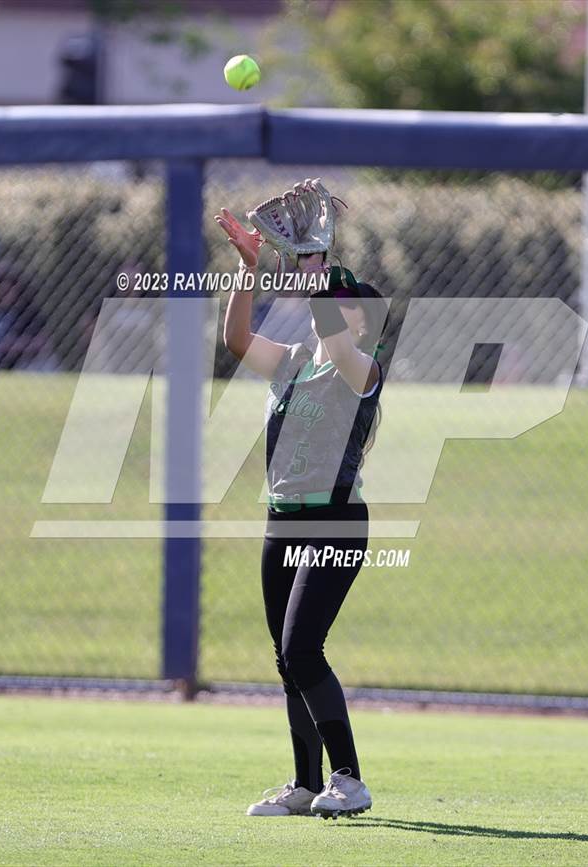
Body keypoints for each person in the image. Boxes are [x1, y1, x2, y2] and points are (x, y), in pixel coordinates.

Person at [214, 196, 388, 821]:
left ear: (361, 322)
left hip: (334, 522)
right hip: (282, 519)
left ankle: (349, 780)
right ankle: (306, 784)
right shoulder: (291, 363)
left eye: (345, 303)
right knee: (287, 659)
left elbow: (335, 343)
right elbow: (236, 339)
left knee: (302, 649)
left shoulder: (360, 367)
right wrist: (249, 266)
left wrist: (315, 269)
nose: (332, 306)